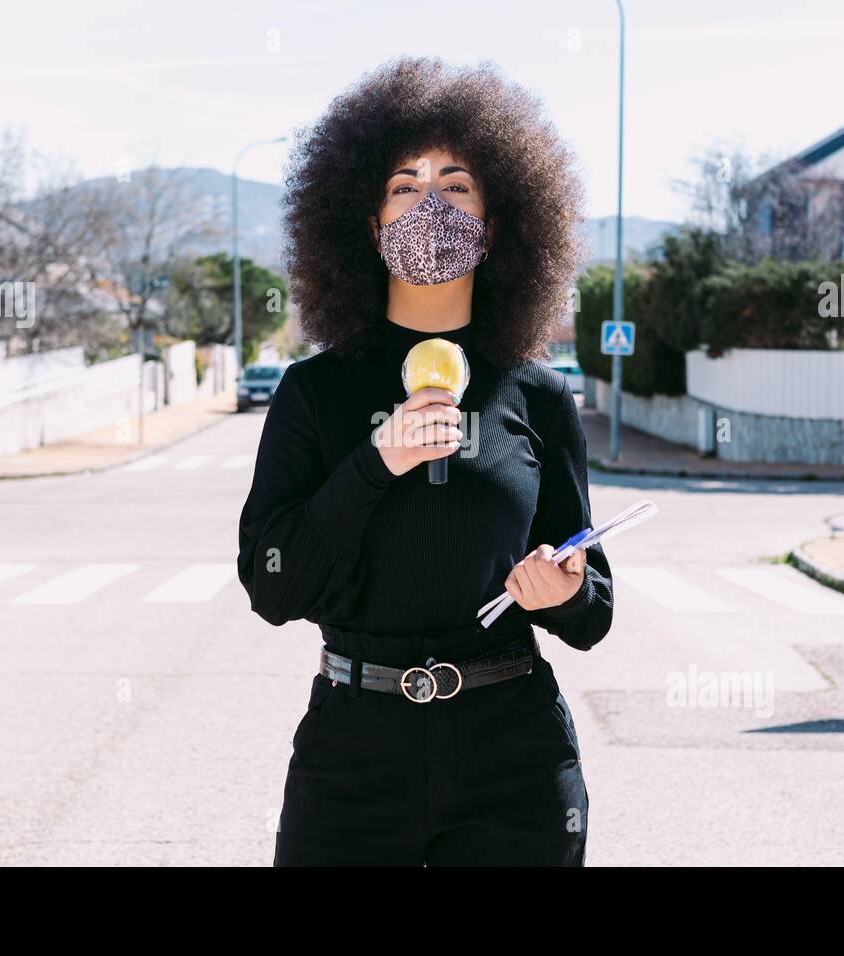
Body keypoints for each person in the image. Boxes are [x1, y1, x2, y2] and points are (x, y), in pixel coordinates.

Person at [237, 55, 613, 867]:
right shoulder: (313, 392)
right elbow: (272, 586)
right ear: (368, 227)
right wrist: (374, 465)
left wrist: (565, 586)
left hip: (515, 751)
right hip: (353, 753)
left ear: (500, 220)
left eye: (457, 184)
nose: (430, 203)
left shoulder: (537, 394)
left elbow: (594, 608)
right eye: (404, 186)